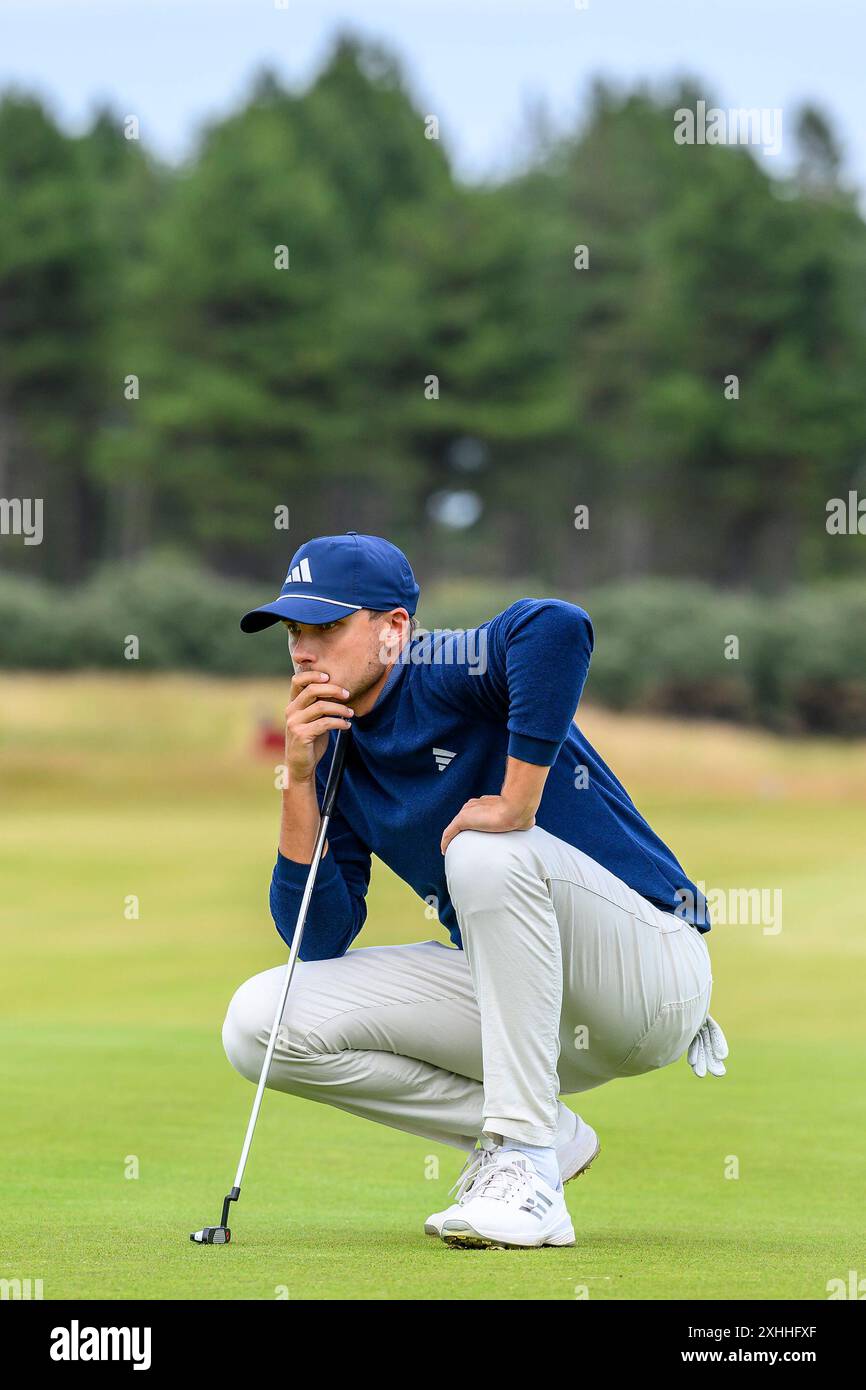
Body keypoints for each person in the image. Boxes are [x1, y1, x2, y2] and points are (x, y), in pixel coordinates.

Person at [222, 530, 728, 1250]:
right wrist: (299, 779)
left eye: (328, 627)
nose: (304, 650)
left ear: (395, 628)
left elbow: (557, 627)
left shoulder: (439, 668)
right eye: (296, 631)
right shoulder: (334, 754)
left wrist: (518, 801)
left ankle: (523, 1166)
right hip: (534, 1013)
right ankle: (545, 1138)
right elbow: (318, 938)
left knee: (485, 850)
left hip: (650, 974)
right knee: (258, 1023)